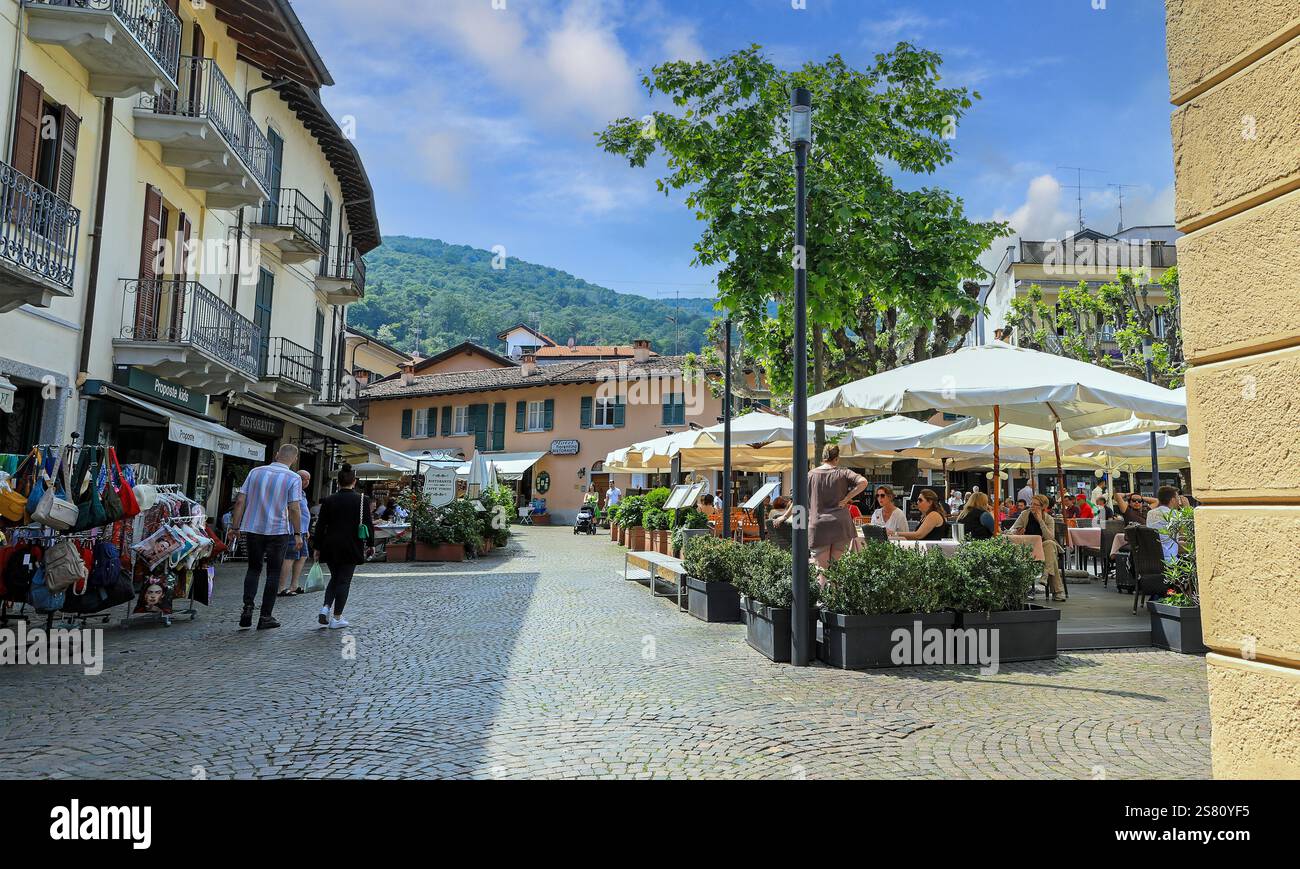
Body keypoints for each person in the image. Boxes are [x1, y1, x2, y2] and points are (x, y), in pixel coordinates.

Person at [226, 444, 305, 631]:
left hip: (253, 528)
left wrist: (235, 527)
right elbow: (294, 508)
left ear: (276, 454)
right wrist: (298, 533)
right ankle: (265, 616)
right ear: (294, 459)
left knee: (253, 569)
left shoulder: (255, 472)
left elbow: (240, 501)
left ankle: (247, 607)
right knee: (273, 573)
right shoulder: (293, 478)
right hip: (278, 531)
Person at [313, 464, 375, 629]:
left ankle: (325, 607)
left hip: (330, 544)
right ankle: (337, 617)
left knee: (335, 577)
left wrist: (317, 547)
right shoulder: (362, 500)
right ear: (354, 481)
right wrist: (370, 544)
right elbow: (368, 525)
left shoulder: (329, 500)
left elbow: (320, 526)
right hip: (351, 544)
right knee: (344, 581)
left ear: (338, 482)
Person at [807, 444, 869, 567]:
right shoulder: (843, 472)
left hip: (819, 525)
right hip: (841, 524)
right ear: (837, 458)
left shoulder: (810, 475)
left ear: (823, 457)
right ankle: (835, 587)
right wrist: (846, 498)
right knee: (837, 570)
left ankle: (823, 586)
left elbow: (798, 498)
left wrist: (784, 516)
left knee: (821, 570)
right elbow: (863, 482)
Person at [1011, 494, 1066, 601]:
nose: (1032, 506)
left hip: (1043, 548)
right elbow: (1012, 529)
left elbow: (1050, 537)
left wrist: (1041, 521)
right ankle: (1057, 590)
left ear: (1043, 507)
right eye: (1031, 504)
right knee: (1052, 558)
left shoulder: (1048, 519)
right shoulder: (1024, 514)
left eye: (1035, 505)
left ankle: (1045, 576)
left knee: (1050, 544)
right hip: (1026, 549)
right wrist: (1017, 532)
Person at [279, 469, 312, 597]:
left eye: (308, 479)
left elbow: (303, 512)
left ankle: (294, 585)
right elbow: (290, 510)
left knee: (303, 556)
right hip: (293, 530)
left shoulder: (302, 493)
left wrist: (306, 529)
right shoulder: (290, 491)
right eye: (304, 478)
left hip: (302, 531)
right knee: (290, 557)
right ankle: (281, 587)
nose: (306, 482)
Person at [1146, 485, 1181, 561]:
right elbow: (1186, 532)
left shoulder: (1150, 513)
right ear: (1172, 500)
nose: (1179, 501)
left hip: (1153, 558)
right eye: (1177, 498)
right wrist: (1187, 507)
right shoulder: (1174, 514)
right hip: (1169, 559)